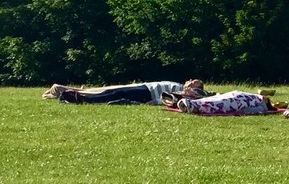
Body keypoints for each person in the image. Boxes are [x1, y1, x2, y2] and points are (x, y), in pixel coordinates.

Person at [43, 79, 206, 105]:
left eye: (194, 82)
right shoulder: (178, 85)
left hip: (146, 93)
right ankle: (76, 95)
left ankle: (79, 97)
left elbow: (205, 94)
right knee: (116, 91)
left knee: (116, 94)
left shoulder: (188, 92)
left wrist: (156, 101)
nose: (191, 80)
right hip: (144, 87)